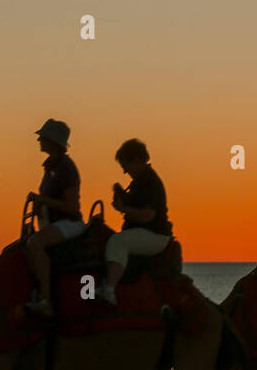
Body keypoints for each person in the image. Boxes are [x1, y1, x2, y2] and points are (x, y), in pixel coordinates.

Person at [100, 139, 173, 306]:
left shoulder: (151, 182)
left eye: (126, 166)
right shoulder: (139, 182)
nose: (125, 171)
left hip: (155, 235)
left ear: (138, 160)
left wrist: (122, 209)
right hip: (147, 233)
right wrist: (122, 197)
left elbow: (147, 215)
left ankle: (109, 291)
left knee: (118, 242)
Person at [24, 119, 84, 317]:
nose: (39, 139)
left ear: (52, 141)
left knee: (35, 244)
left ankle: (45, 300)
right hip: (54, 222)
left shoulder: (66, 168)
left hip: (70, 223)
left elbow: (71, 206)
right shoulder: (51, 167)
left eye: (43, 137)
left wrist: (42, 200)